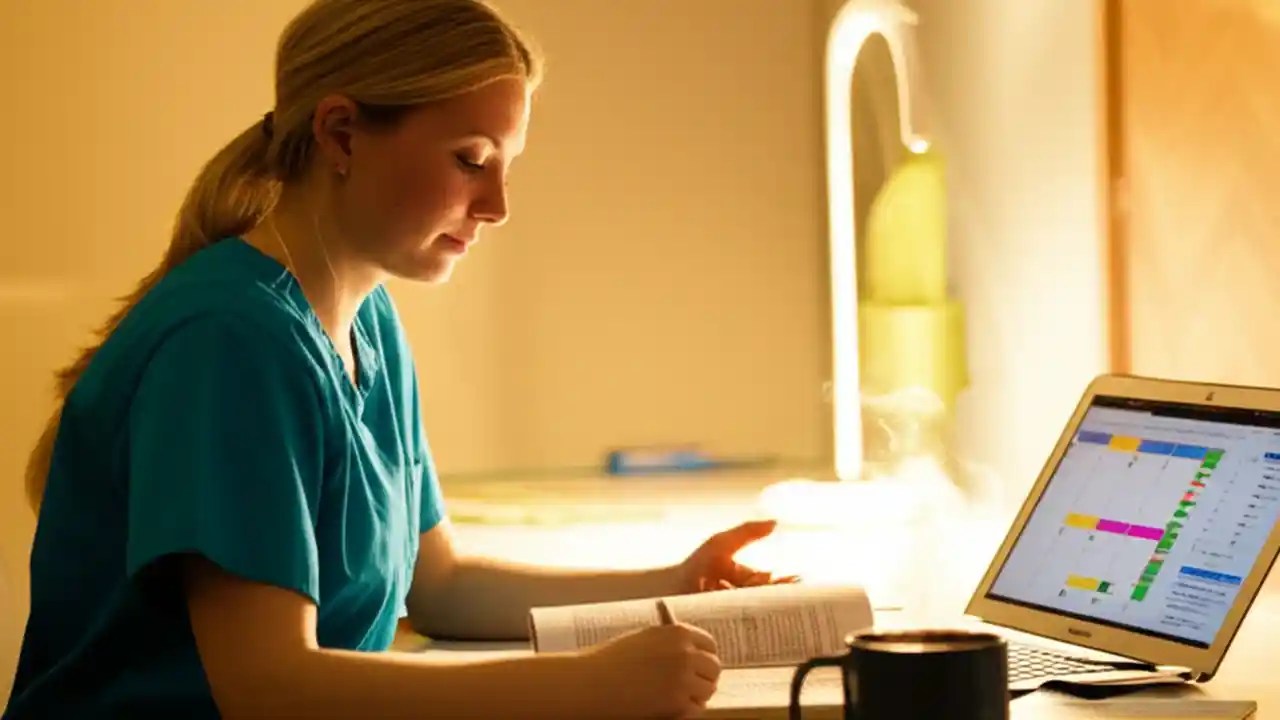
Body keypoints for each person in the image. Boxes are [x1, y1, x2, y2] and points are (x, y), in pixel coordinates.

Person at [3, 1, 795, 718]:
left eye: (506, 166)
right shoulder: (229, 343)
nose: (497, 207)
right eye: (469, 159)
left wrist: (671, 586)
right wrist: (585, 685)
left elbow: (440, 585)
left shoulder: (365, 316)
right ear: (342, 133)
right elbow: (268, 686)